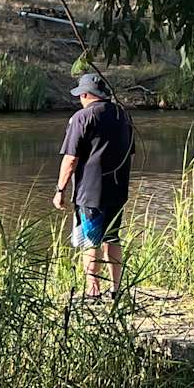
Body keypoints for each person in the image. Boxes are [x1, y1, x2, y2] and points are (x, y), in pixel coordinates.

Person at [54, 73, 135, 299]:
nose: (80, 98)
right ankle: (116, 289)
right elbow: (130, 152)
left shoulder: (82, 118)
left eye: (81, 94)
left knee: (91, 241)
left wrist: (60, 191)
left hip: (90, 192)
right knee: (113, 237)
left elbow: (71, 159)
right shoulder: (123, 116)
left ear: (87, 94)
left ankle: (93, 291)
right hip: (118, 190)